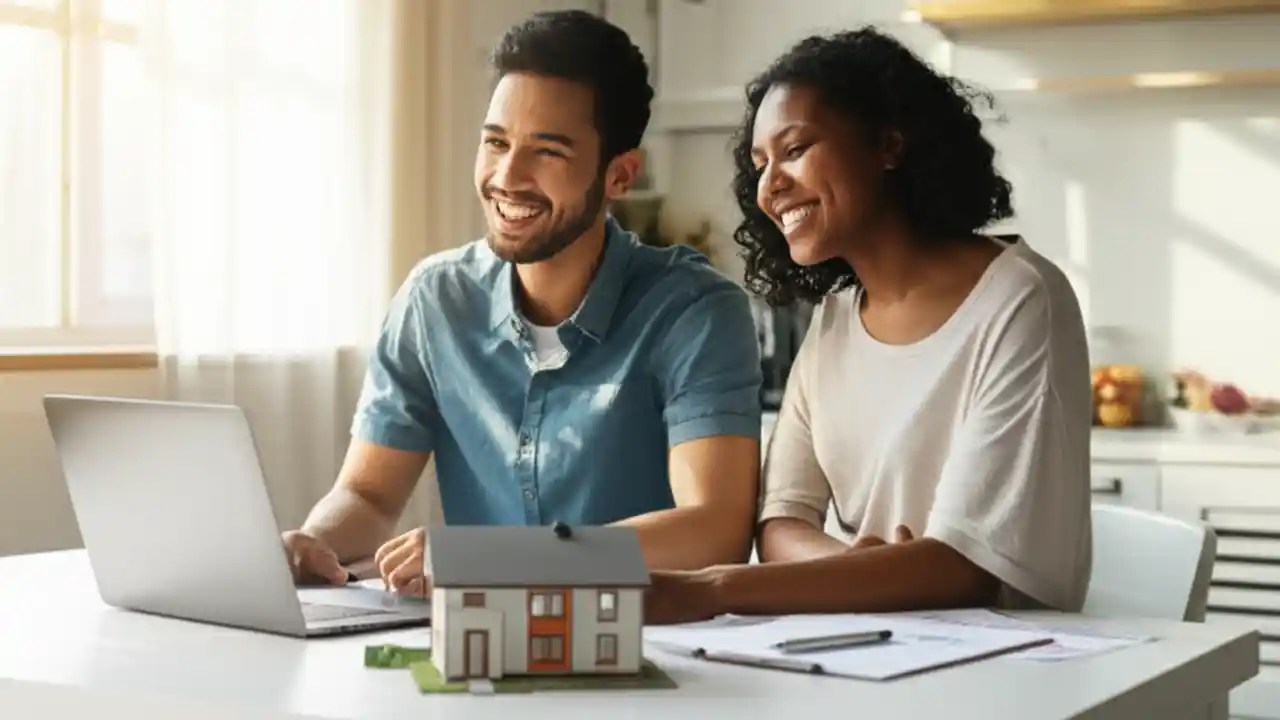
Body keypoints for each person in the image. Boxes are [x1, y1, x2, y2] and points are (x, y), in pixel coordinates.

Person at [282, 11, 762, 594]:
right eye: (496, 143)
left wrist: (499, 557)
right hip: (472, 648)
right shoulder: (435, 299)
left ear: (619, 175)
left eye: (548, 152)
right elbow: (368, 494)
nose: (508, 176)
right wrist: (315, 542)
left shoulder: (695, 312)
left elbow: (714, 531)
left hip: (646, 648)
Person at [645, 27, 1091, 624]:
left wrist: (716, 588)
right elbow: (779, 521)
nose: (769, 185)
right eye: (760, 164)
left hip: (1013, 675)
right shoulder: (833, 320)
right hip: (879, 655)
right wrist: (859, 570)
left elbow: (966, 568)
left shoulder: (1019, 298)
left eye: (795, 149)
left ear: (888, 144)